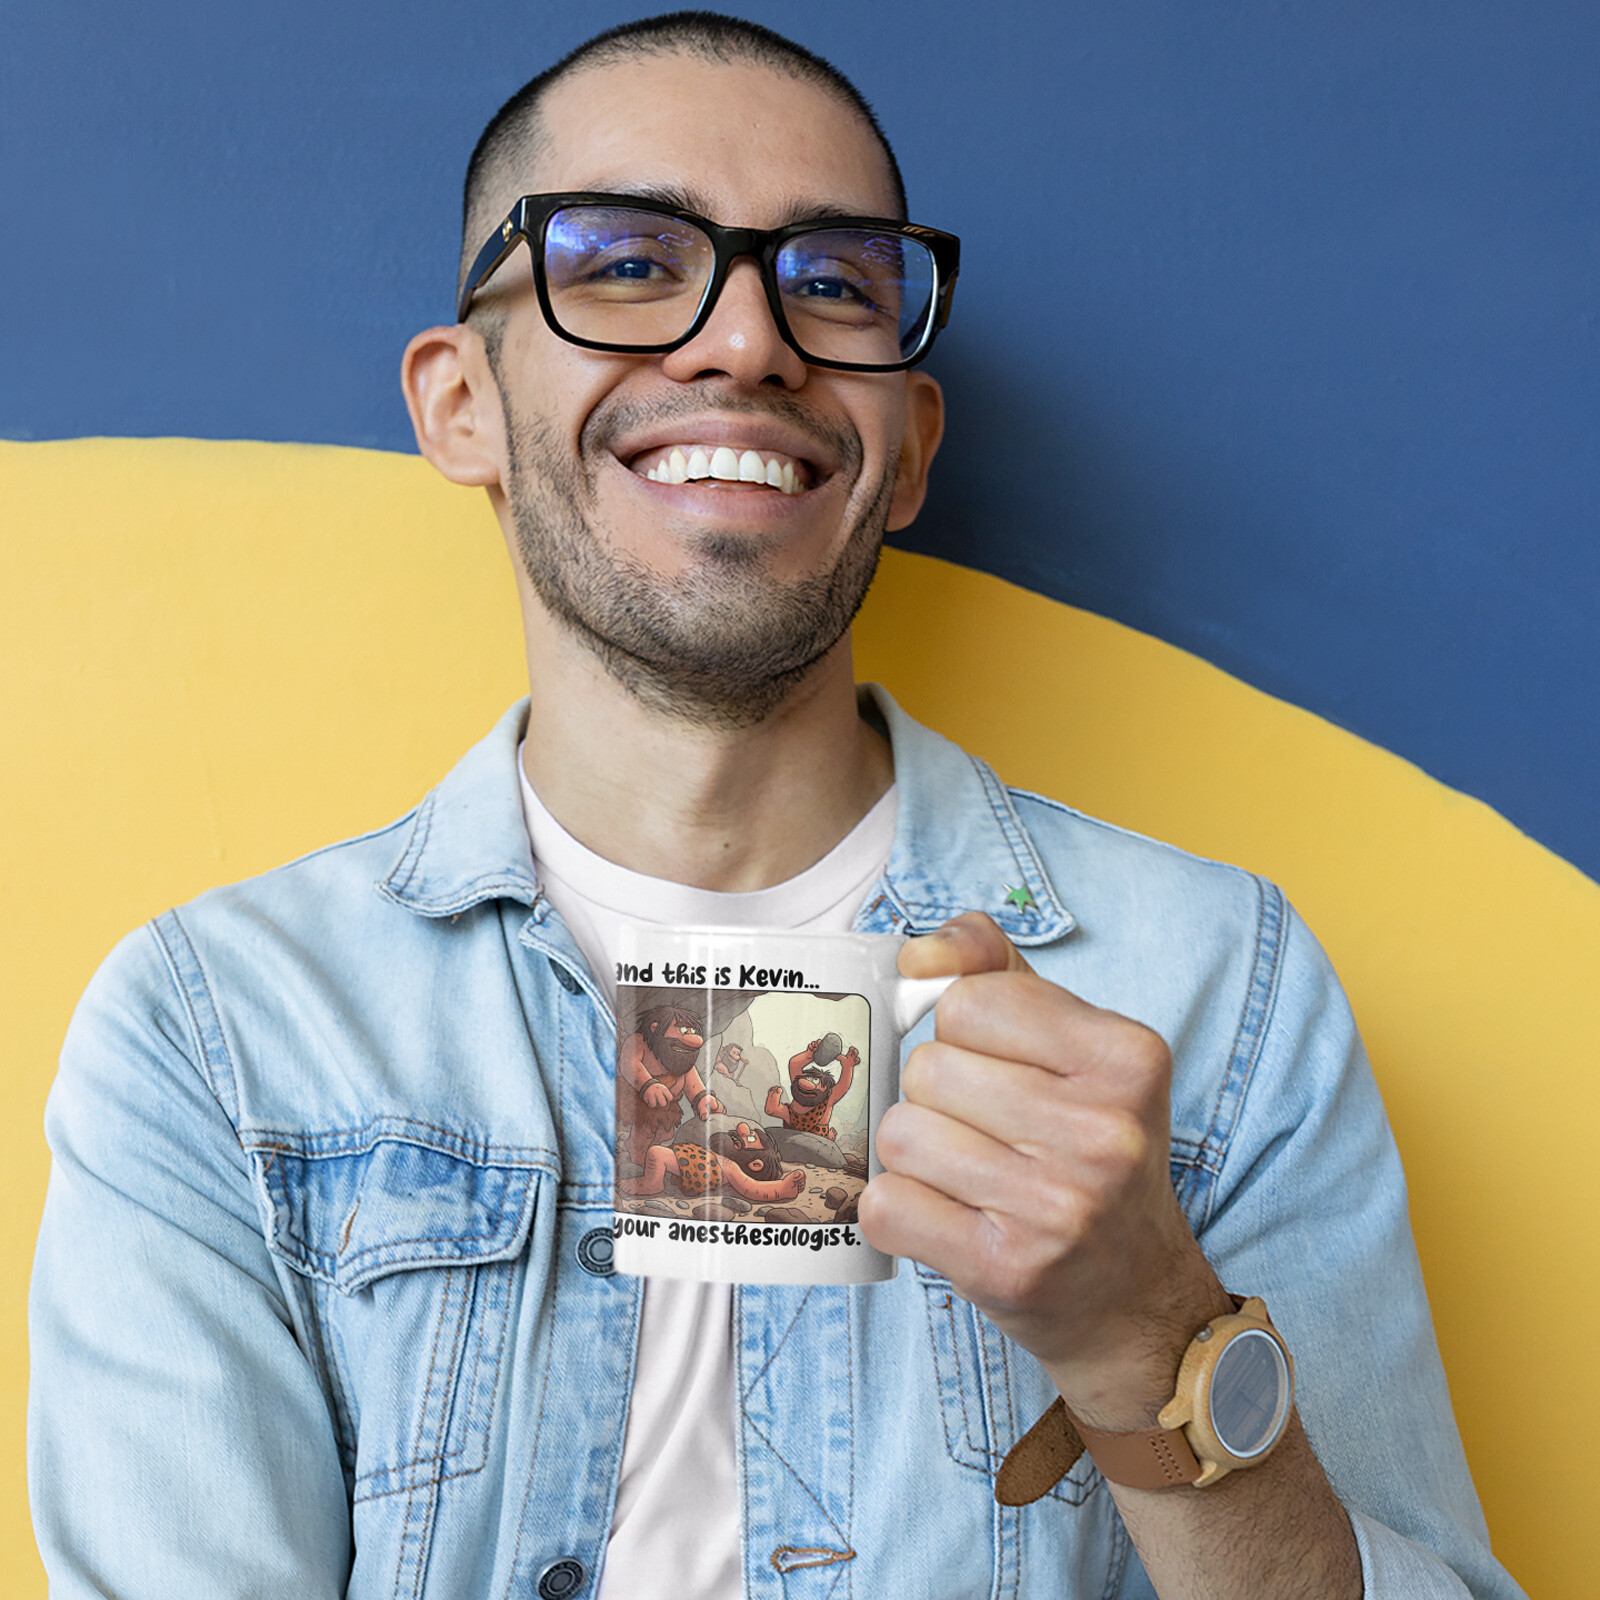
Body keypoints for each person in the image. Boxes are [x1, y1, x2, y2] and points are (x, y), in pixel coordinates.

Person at [29, 12, 1525, 1600]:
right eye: (621, 262)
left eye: (833, 283)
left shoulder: (1219, 993)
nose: (747, 340)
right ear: (459, 402)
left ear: (910, 449)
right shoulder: (220, 1032)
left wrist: (1149, 1337)